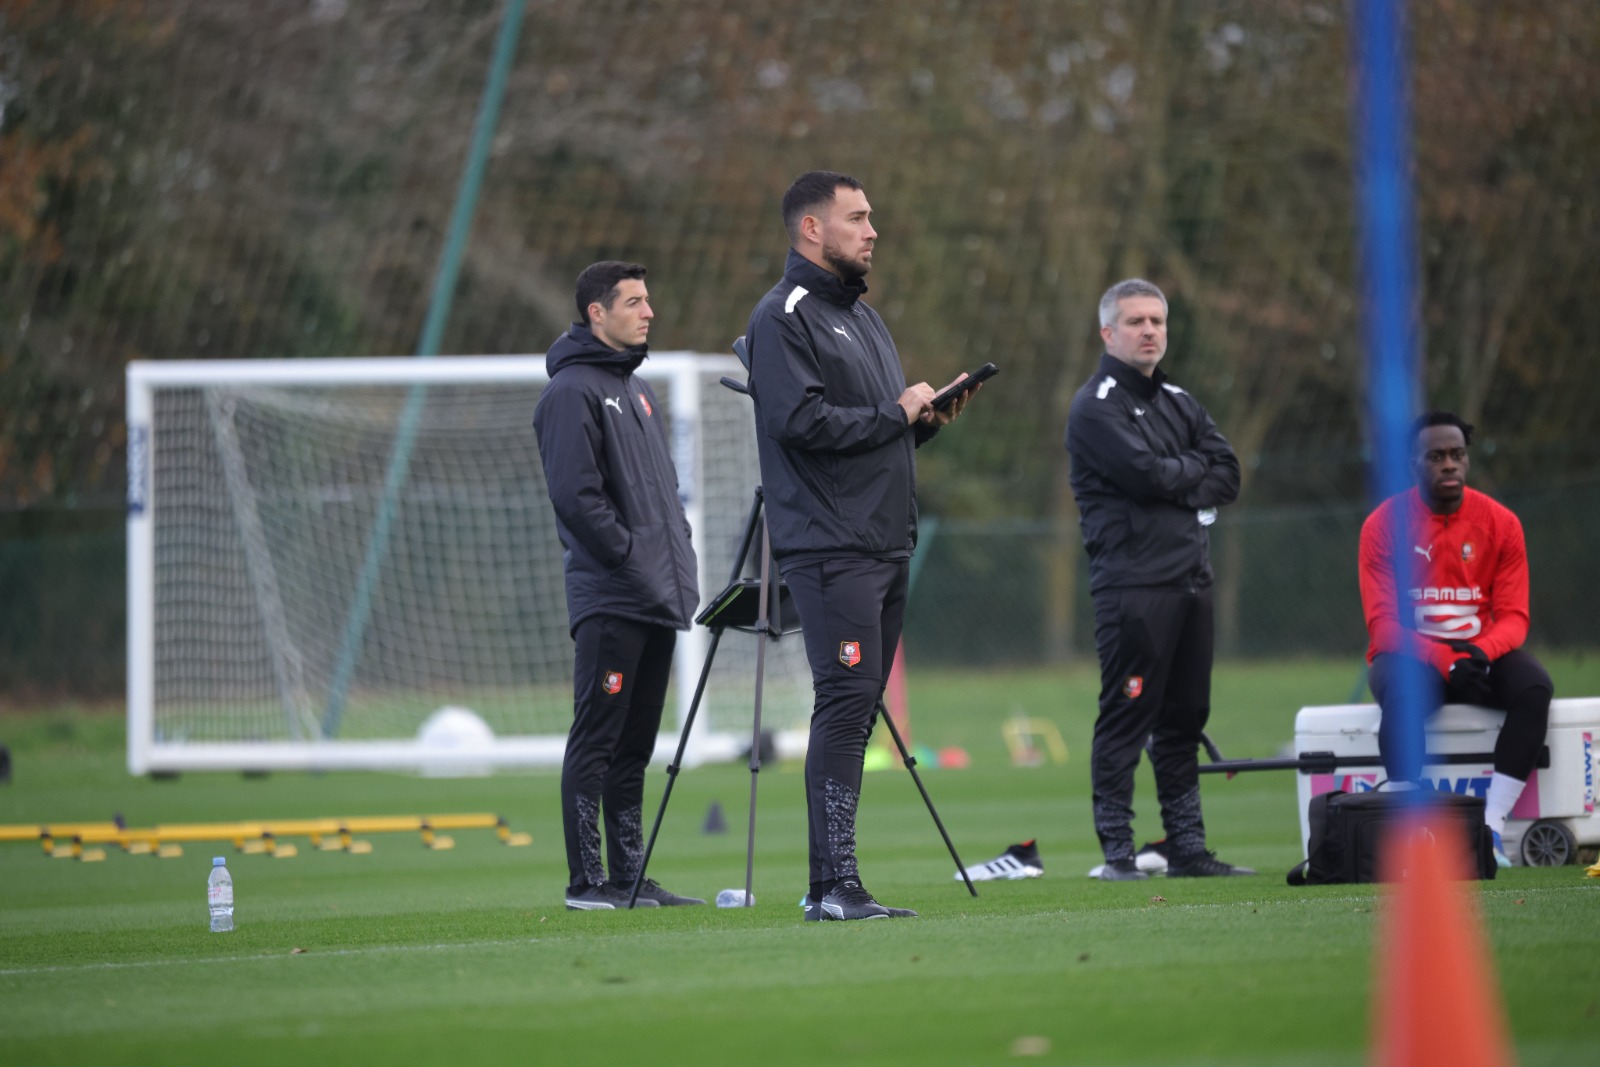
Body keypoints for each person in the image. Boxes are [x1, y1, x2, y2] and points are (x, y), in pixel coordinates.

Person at [745, 171, 974, 921]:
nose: (872, 230)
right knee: (844, 705)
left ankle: (832, 886)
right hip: (828, 544)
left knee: (856, 704)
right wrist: (891, 412)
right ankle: (833, 885)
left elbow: (873, 431)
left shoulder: (866, 319)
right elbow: (800, 425)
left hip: (882, 541)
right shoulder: (784, 315)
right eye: (857, 217)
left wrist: (922, 420)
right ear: (812, 229)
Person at [1065, 278, 1253, 881]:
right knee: (1126, 716)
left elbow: (1227, 473)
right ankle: (1118, 853)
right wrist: (1183, 473)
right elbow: (1143, 474)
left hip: (1193, 585)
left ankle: (1188, 848)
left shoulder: (1179, 400)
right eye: (1136, 321)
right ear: (1108, 332)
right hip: (1133, 589)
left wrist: (1178, 474)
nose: (1149, 331)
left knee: (1185, 719)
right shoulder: (1094, 407)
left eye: (1157, 321)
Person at [532, 261, 704, 910]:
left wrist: (672, 554)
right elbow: (578, 499)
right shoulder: (570, 392)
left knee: (635, 745)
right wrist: (632, 557)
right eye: (633, 301)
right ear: (596, 314)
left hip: (656, 594)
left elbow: (660, 497)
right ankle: (586, 883)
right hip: (612, 595)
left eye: (648, 298)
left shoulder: (639, 390)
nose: (648, 311)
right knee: (597, 737)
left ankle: (630, 877)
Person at [1358, 410, 1553, 867]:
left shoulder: (1501, 523)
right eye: (1436, 456)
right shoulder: (1383, 526)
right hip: (1413, 657)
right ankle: (1410, 832)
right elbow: (1383, 625)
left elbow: (1514, 617)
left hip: (1477, 654)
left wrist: (1481, 652)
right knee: (1403, 692)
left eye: (1458, 455)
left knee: (1534, 687)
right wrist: (1443, 660)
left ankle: (1490, 830)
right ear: (1412, 464)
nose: (1450, 465)